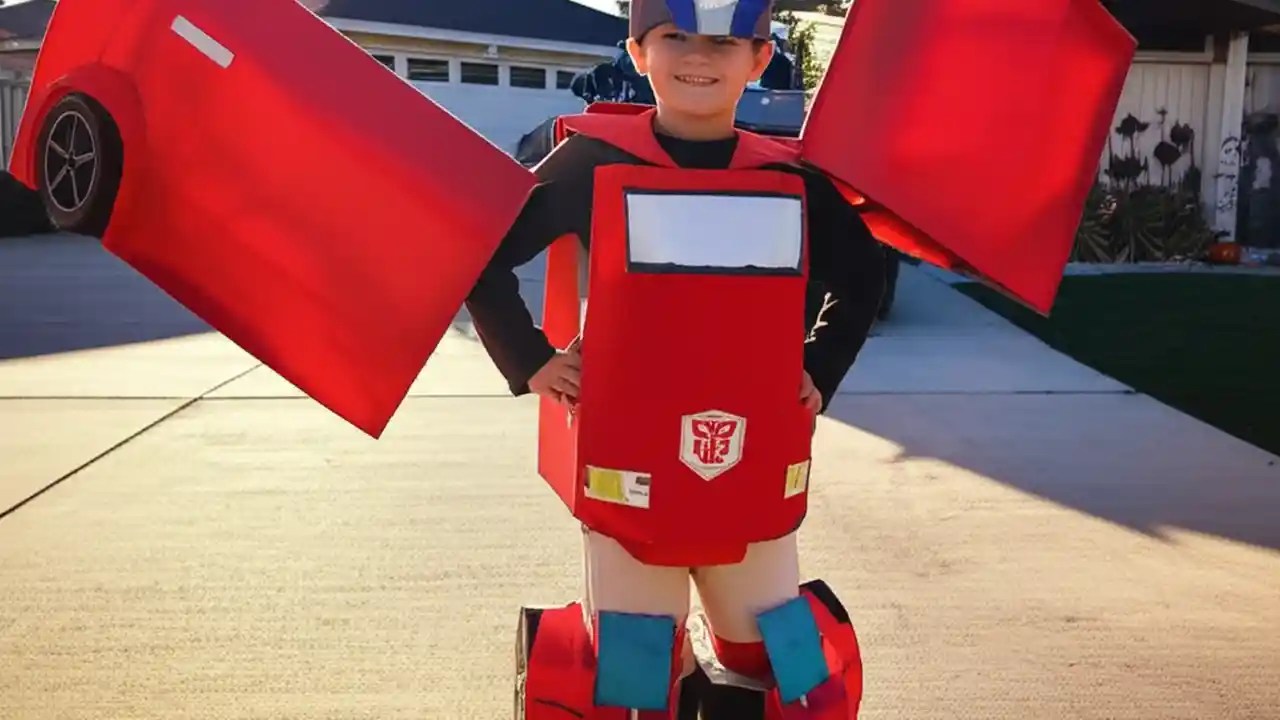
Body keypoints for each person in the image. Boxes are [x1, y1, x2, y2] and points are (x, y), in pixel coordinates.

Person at [465, 0, 883, 717]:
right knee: (631, 679)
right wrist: (532, 360)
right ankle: (672, 668)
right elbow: (482, 257)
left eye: (724, 43)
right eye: (676, 36)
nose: (698, 57)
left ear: (758, 59)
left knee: (794, 678)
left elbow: (863, 275)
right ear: (638, 52)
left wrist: (821, 366)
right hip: (628, 468)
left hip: (753, 471)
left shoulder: (791, 178)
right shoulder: (592, 164)